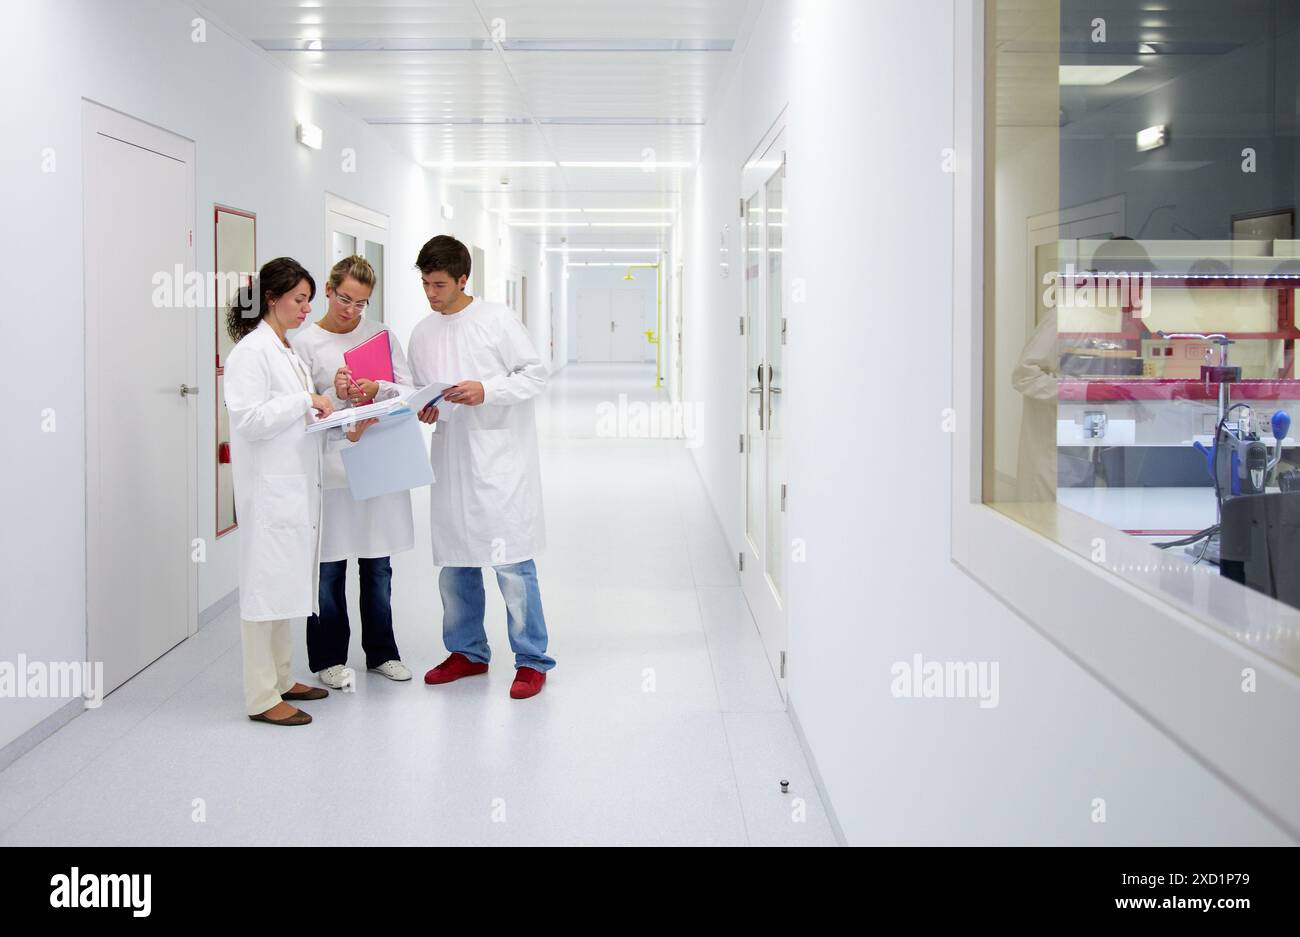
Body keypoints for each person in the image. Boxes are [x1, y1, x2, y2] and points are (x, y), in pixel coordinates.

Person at [224, 257, 374, 726]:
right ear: (272, 299)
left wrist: (333, 415)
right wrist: (304, 400)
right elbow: (249, 419)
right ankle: (261, 696)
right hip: (270, 490)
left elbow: (297, 417)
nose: (306, 308)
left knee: (286, 584)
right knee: (263, 589)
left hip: (293, 485)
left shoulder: (284, 349)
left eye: (309, 299)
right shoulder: (251, 352)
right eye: (299, 299)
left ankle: (283, 678)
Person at [407, 235, 555, 699]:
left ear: (463, 279)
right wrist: (425, 408)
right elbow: (420, 388)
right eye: (426, 284)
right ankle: (467, 651)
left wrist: (486, 390)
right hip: (451, 458)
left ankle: (532, 659)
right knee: (456, 564)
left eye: (439, 284)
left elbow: (534, 374)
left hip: (499, 461)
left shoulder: (496, 319)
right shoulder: (422, 333)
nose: (431, 293)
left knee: (511, 563)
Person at [290, 256, 416, 689]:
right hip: (329, 467)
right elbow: (300, 405)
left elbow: (408, 391)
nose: (351, 310)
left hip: (374, 461)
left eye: (361, 303)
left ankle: (382, 653)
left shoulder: (380, 335)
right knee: (329, 567)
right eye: (345, 299)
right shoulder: (305, 343)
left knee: (377, 564)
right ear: (328, 289)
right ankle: (328, 657)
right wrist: (334, 392)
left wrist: (377, 388)